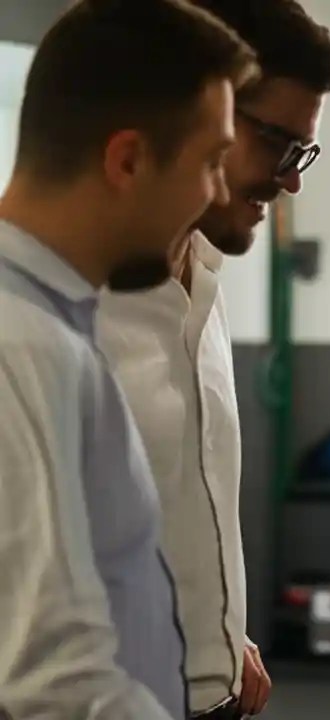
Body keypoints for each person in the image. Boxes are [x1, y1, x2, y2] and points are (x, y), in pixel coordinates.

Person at [0, 1, 258, 718]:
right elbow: (56, 685)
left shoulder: (53, 322)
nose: (217, 191)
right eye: (210, 162)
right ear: (128, 160)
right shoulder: (21, 343)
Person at [93, 1, 330, 717]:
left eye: (304, 150)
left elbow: (177, 499)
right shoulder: (45, 305)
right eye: (277, 144)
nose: (292, 179)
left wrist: (216, 631)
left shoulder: (202, 272)